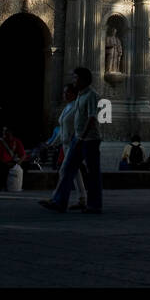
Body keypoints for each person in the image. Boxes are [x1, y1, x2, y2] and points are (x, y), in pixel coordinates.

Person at [41, 67, 103, 213]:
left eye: (75, 78)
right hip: (78, 138)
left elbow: (92, 117)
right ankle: (60, 201)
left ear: (83, 79)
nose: (73, 80)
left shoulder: (92, 95)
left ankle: (94, 205)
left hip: (90, 139)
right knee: (68, 168)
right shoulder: (80, 96)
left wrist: (81, 136)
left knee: (93, 172)